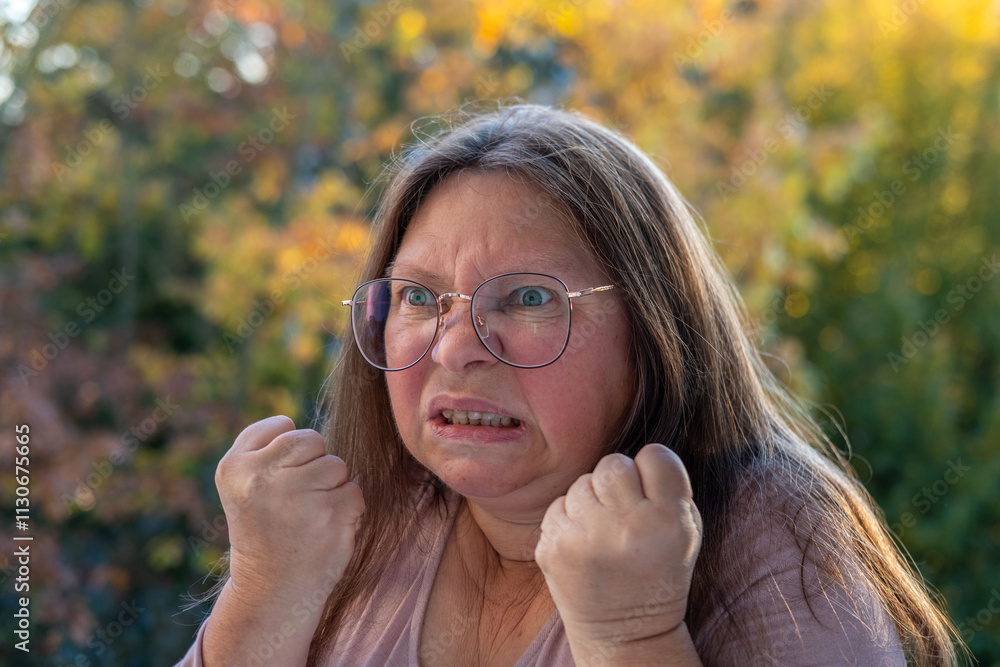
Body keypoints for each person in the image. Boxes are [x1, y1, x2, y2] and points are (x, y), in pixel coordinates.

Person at [174, 104, 965, 666]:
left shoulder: (766, 531)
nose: (455, 348)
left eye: (527, 298)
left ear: (653, 330)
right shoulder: (359, 516)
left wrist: (632, 636)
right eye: (418, 296)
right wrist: (262, 594)